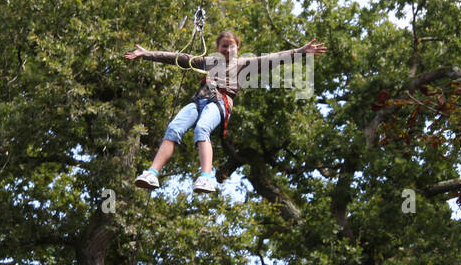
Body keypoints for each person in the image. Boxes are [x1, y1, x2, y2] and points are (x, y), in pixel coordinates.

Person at [124, 31, 328, 193]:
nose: (228, 49)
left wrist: (301, 51)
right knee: (174, 128)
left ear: (238, 48)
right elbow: (178, 58)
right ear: (217, 48)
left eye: (232, 46)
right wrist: (147, 54)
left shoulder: (243, 64)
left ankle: (206, 176)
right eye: (224, 46)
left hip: (220, 102)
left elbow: (274, 58)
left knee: (202, 129)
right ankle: (152, 173)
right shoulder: (207, 62)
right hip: (199, 101)